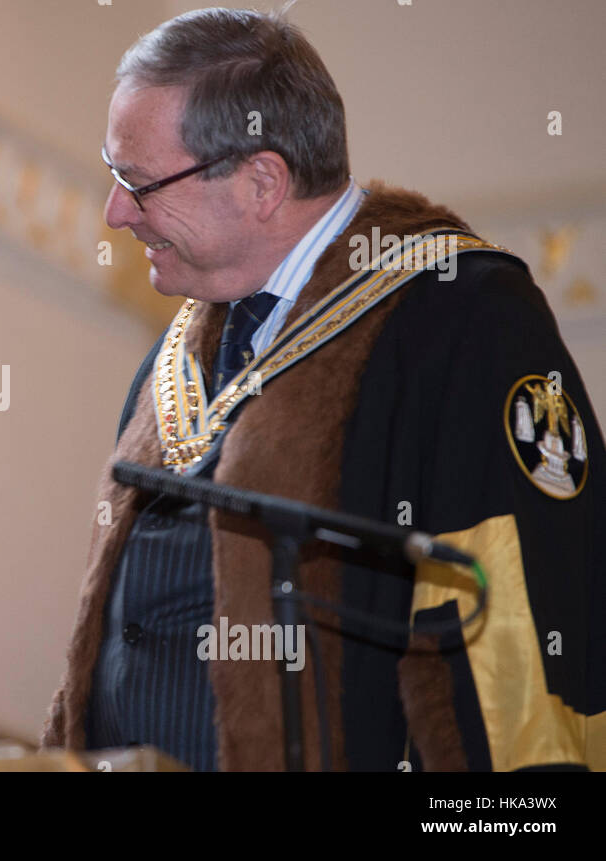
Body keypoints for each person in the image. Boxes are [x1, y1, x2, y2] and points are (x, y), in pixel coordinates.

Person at [43, 7, 604, 771]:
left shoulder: (460, 317)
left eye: (136, 184)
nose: (115, 213)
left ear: (262, 181)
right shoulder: (172, 357)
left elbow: (523, 645)